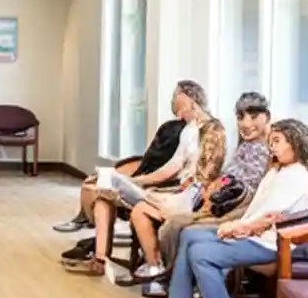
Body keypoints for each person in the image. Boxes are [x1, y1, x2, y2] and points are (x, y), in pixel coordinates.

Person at [149, 118, 308, 298]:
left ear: (295, 144)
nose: (272, 147)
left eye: (277, 141)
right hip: (253, 233)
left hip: (271, 243)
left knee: (201, 253)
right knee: (189, 235)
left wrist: (237, 229)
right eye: (271, 141)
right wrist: (237, 225)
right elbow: (257, 210)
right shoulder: (277, 171)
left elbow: (270, 218)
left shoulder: (297, 176)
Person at [62, 80, 210, 276]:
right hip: (163, 186)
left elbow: (174, 172)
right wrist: (134, 180)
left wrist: (135, 182)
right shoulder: (188, 129)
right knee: (103, 196)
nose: (173, 100)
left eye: (176, 96)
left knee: (108, 189)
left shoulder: (208, 130)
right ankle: (100, 259)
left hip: (175, 192)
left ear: (187, 98)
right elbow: (171, 164)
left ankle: (152, 266)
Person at [154, 92, 273, 275]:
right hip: (218, 201)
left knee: (176, 226)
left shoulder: (270, 150)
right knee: (171, 222)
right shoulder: (245, 146)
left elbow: (248, 190)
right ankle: (169, 274)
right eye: (241, 117)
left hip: (238, 210)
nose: (246, 123)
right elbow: (226, 178)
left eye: (254, 116)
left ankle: (172, 276)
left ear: (267, 117)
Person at [125, 116, 228, 281]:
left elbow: (202, 189)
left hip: (192, 204)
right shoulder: (207, 162)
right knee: (140, 209)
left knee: (141, 208)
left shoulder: (211, 169)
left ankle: (156, 267)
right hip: (187, 197)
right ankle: (155, 265)